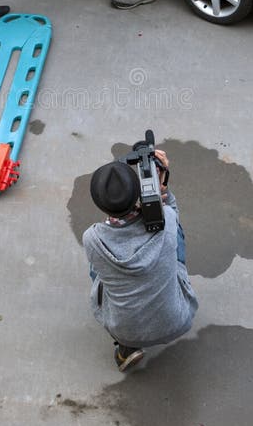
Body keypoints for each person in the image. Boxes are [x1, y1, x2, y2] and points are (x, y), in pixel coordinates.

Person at [82, 148, 198, 372]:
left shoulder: (92, 238)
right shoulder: (167, 219)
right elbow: (171, 211)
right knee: (175, 236)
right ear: (139, 192)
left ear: (100, 204)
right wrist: (162, 187)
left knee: (97, 267)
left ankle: (126, 349)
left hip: (125, 331)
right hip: (176, 321)